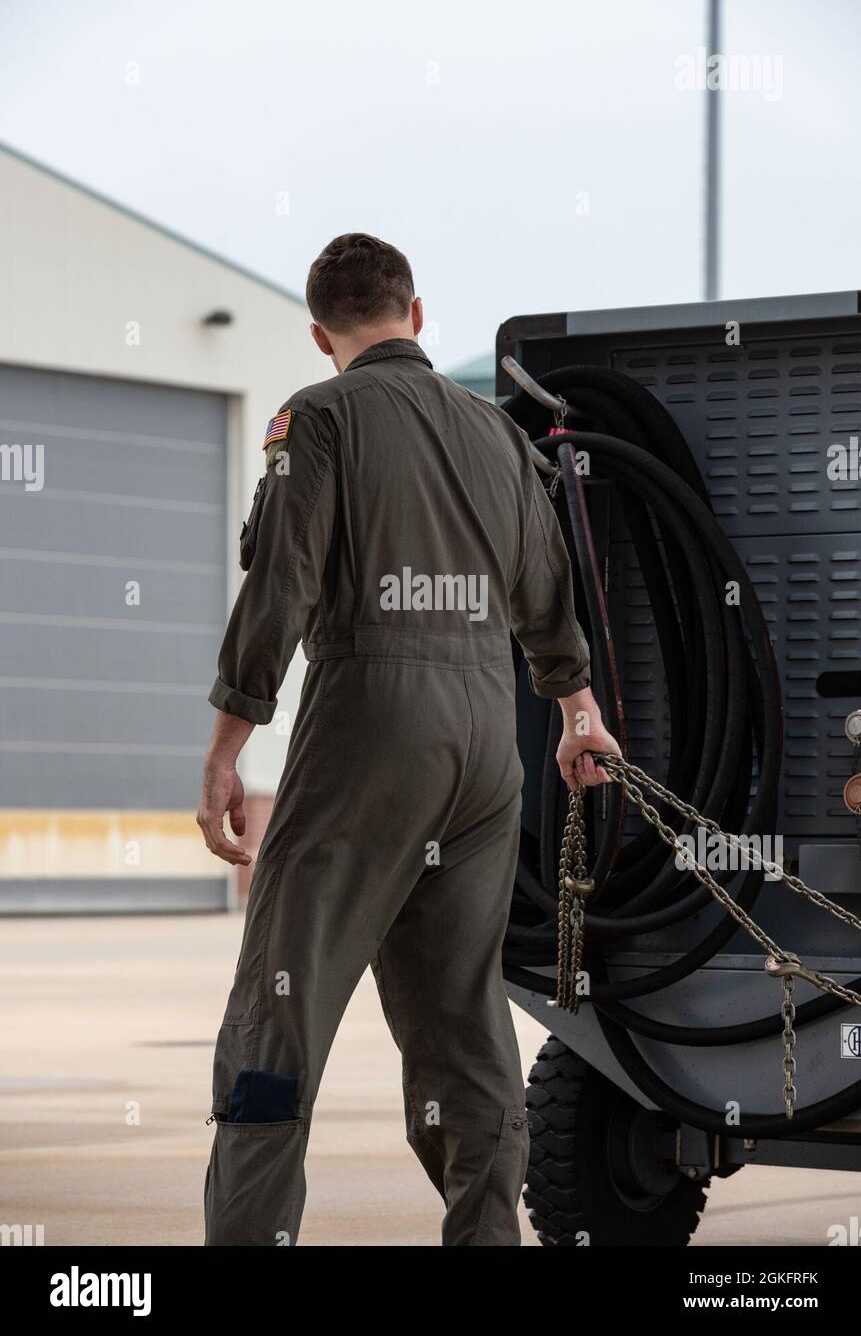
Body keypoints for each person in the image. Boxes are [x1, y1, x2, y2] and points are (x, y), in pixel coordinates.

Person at [197, 232, 620, 1246]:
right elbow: (548, 603)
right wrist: (576, 711)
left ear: (319, 332)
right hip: (485, 746)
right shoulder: (496, 433)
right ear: (416, 314)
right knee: (459, 1020)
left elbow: (283, 586)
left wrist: (226, 744)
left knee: (277, 1009)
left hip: (368, 730)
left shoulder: (323, 415)